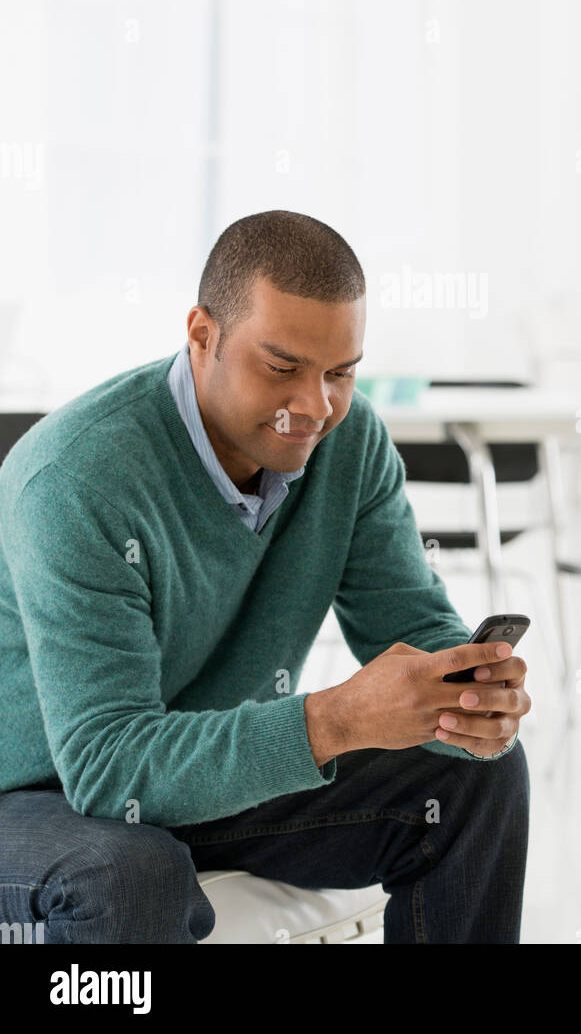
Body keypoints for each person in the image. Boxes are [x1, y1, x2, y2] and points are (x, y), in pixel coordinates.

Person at [0, 210, 531, 944]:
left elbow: (409, 623)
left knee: (472, 774)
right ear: (202, 335)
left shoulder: (349, 443)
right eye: (281, 368)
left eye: (340, 373)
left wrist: (465, 700)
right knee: (127, 870)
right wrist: (333, 719)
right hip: (30, 790)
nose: (315, 407)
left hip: (195, 772)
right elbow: (107, 768)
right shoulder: (74, 479)